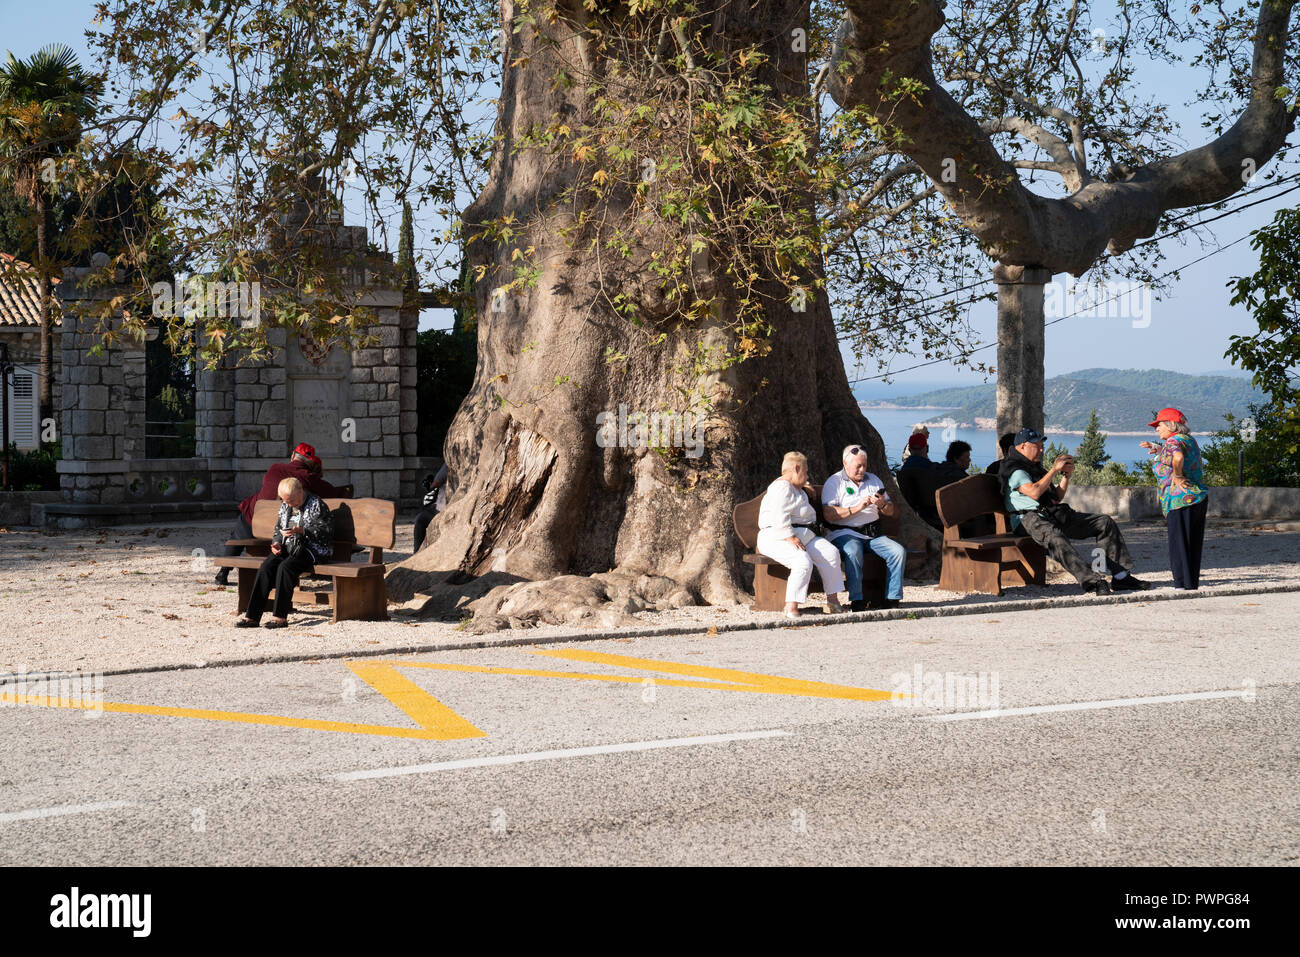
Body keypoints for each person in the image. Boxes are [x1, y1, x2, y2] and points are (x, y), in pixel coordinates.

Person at [998, 427, 1150, 595]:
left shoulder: (1033, 467)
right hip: (1028, 519)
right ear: (1022, 446)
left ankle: (1121, 577)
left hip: (1051, 514)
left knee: (1104, 523)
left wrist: (1065, 476)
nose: (1041, 450)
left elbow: (1057, 496)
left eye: (1042, 446)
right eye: (1037, 446)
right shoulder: (1015, 469)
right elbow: (1034, 493)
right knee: (1055, 537)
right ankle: (1092, 581)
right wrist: (1054, 470)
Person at [215, 442, 352, 585]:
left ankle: (223, 572)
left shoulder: (275, 468)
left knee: (242, 524)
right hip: (282, 525)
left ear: (293, 455)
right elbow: (332, 493)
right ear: (310, 464)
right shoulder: (309, 478)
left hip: (256, 517)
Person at [235, 477, 333, 628]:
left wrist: (302, 530)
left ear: (301, 492)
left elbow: (326, 531)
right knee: (267, 566)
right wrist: (276, 542)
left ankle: (280, 617)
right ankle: (252, 616)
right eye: (285, 501)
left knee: (286, 567)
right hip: (290, 547)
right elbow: (278, 528)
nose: (289, 504)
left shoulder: (316, 504)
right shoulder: (286, 505)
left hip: (313, 548)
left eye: (292, 500)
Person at [756, 452, 845, 618]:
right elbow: (778, 514)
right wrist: (788, 536)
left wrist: (804, 486)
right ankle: (791, 605)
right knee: (801, 560)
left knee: (830, 553)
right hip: (776, 535)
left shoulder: (795, 487)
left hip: (802, 535)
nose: (807, 476)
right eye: (805, 472)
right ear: (796, 468)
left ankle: (832, 600)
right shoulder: (781, 487)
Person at [822, 445, 906, 611]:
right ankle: (857, 599)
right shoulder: (834, 482)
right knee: (853, 551)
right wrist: (857, 508)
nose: (862, 470)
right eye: (857, 466)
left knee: (898, 552)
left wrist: (882, 505)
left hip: (872, 535)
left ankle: (892, 598)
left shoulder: (874, 480)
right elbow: (828, 514)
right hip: (845, 532)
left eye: (864, 465)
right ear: (845, 464)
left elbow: (893, 512)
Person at [1140, 408, 1208, 590]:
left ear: (1171, 425)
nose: (1156, 429)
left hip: (1180, 500)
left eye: (1159, 425)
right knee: (1192, 544)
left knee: (1178, 544)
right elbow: (1177, 455)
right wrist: (1158, 449)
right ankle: (1190, 584)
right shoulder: (1187, 439)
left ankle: (1180, 585)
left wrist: (1177, 476)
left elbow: (1177, 457)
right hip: (1197, 497)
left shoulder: (1173, 441)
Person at [413, 463, 448, 552]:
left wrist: (431, 485)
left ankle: (417, 552)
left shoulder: (448, 464)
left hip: (442, 509)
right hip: (445, 508)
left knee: (420, 520)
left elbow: (436, 482)